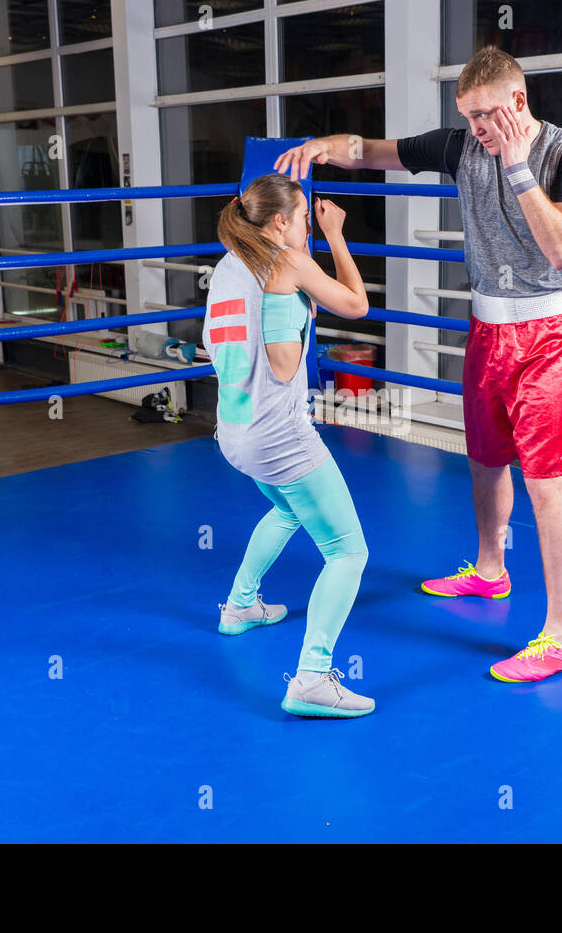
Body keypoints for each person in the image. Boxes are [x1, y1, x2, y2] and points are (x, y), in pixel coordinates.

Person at [274, 45, 562, 683]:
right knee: (484, 459)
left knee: (545, 482)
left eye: (485, 116)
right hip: (487, 329)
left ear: (518, 102)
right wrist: (322, 147)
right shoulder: (460, 146)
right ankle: (490, 570)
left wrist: (517, 168)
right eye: (467, 116)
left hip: (548, 335)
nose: (475, 129)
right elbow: (371, 151)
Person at [203, 172, 375, 717]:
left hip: (234, 430)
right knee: (348, 552)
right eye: (304, 218)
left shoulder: (229, 265)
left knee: (287, 510)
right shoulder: (288, 262)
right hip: (280, 438)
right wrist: (336, 235)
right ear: (279, 222)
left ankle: (240, 605)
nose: (310, 226)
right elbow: (356, 304)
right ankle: (311, 679)